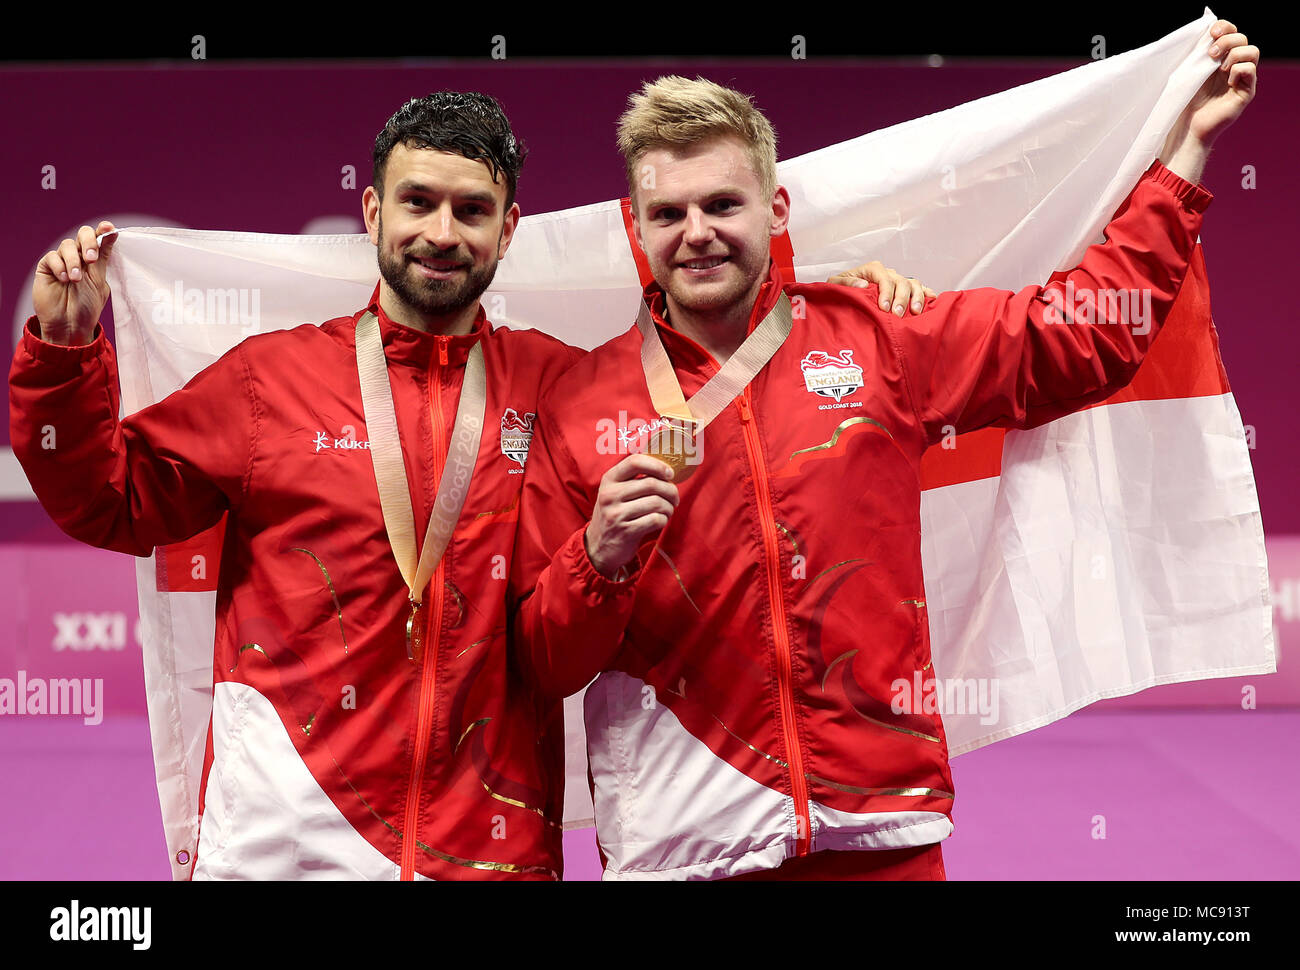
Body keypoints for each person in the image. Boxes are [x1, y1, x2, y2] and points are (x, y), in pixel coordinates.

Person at [8, 91, 927, 880]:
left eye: (471, 210)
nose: (441, 235)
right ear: (371, 211)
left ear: (509, 228)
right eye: (418, 203)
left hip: (486, 848)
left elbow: (712, 364)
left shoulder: (560, 387)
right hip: (285, 837)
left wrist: (812, 307)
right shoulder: (269, 383)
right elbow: (111, 500)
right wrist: (60, 352)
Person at [510, 21, 1259, 880]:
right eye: (668, 214)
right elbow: (542, 660)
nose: (698, 233)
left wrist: (1185, 154)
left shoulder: (874, 336)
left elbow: (1076, 338)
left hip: (880, 832)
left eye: (723, 204)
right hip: (684, 848)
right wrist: (599, 558)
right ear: (635, 229)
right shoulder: (578, 405)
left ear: (776, 208)